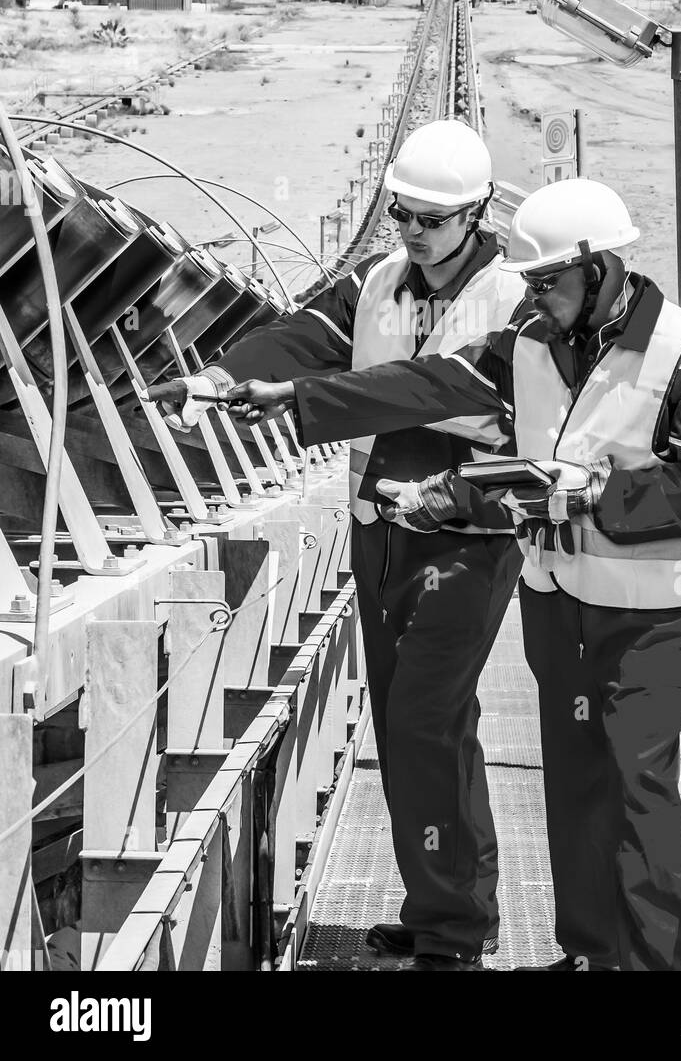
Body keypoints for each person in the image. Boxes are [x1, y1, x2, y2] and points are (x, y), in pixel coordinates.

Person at [228, 177, 681, 972]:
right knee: (573, 791)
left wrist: (604, 494)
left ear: (602, 268)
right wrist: (302, 400)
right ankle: (588, 954)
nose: (534, 297)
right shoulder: (528, 343)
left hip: (650, 615)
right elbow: (430, 385)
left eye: (549, 282)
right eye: (531, 282)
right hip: (556, 600)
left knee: (638, 794)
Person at [148, 121, 528, 972]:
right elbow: (304, 333)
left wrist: (305, 400)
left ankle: (457, 934)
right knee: (407, 728)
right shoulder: (379, 281)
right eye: (401, 213)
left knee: (426, 718)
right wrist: (220, 375)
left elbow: (445, 384)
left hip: (466, 531)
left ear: (474, 215)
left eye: (430, 219)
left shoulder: (517, 298)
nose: (410, 231)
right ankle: (445, 906)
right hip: (379, 529)